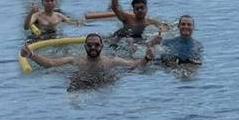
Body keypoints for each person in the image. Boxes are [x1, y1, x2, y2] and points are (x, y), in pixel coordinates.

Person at [21, 32, 153, 90]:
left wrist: (146, 58)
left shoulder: (111, 61)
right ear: (84, 46)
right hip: (81, 81)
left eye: (96, 45)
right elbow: (50, 64)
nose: (93, 48)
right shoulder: (75, 60)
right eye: (89, 45)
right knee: (72, 91)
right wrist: (31, 55)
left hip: (104, 81)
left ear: (102, 46)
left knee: (112, 80)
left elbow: (134, 65)